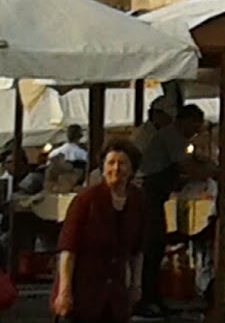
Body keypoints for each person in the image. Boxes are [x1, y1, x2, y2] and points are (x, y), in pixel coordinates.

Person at [56, 143, 148, 323]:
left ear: (132, 169)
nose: (116, 168)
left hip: (116, 289)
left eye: (122, 163)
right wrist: (64, 291)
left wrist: (137, 285)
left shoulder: (138, 200)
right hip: (84, 286)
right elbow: (68, 249)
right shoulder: (86, 199)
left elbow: (138, 249)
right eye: (111, 163)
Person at [135, 102, 209, 316]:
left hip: (157, 197)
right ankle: (146, 299)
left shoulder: (175, 137)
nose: (195, 132)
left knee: (157, 247)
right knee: (152, 246)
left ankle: (154, 297)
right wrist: (213, 171)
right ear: (186, 121)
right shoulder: (172, 136)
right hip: (149, 195)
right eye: (195, 126)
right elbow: (187, 167)